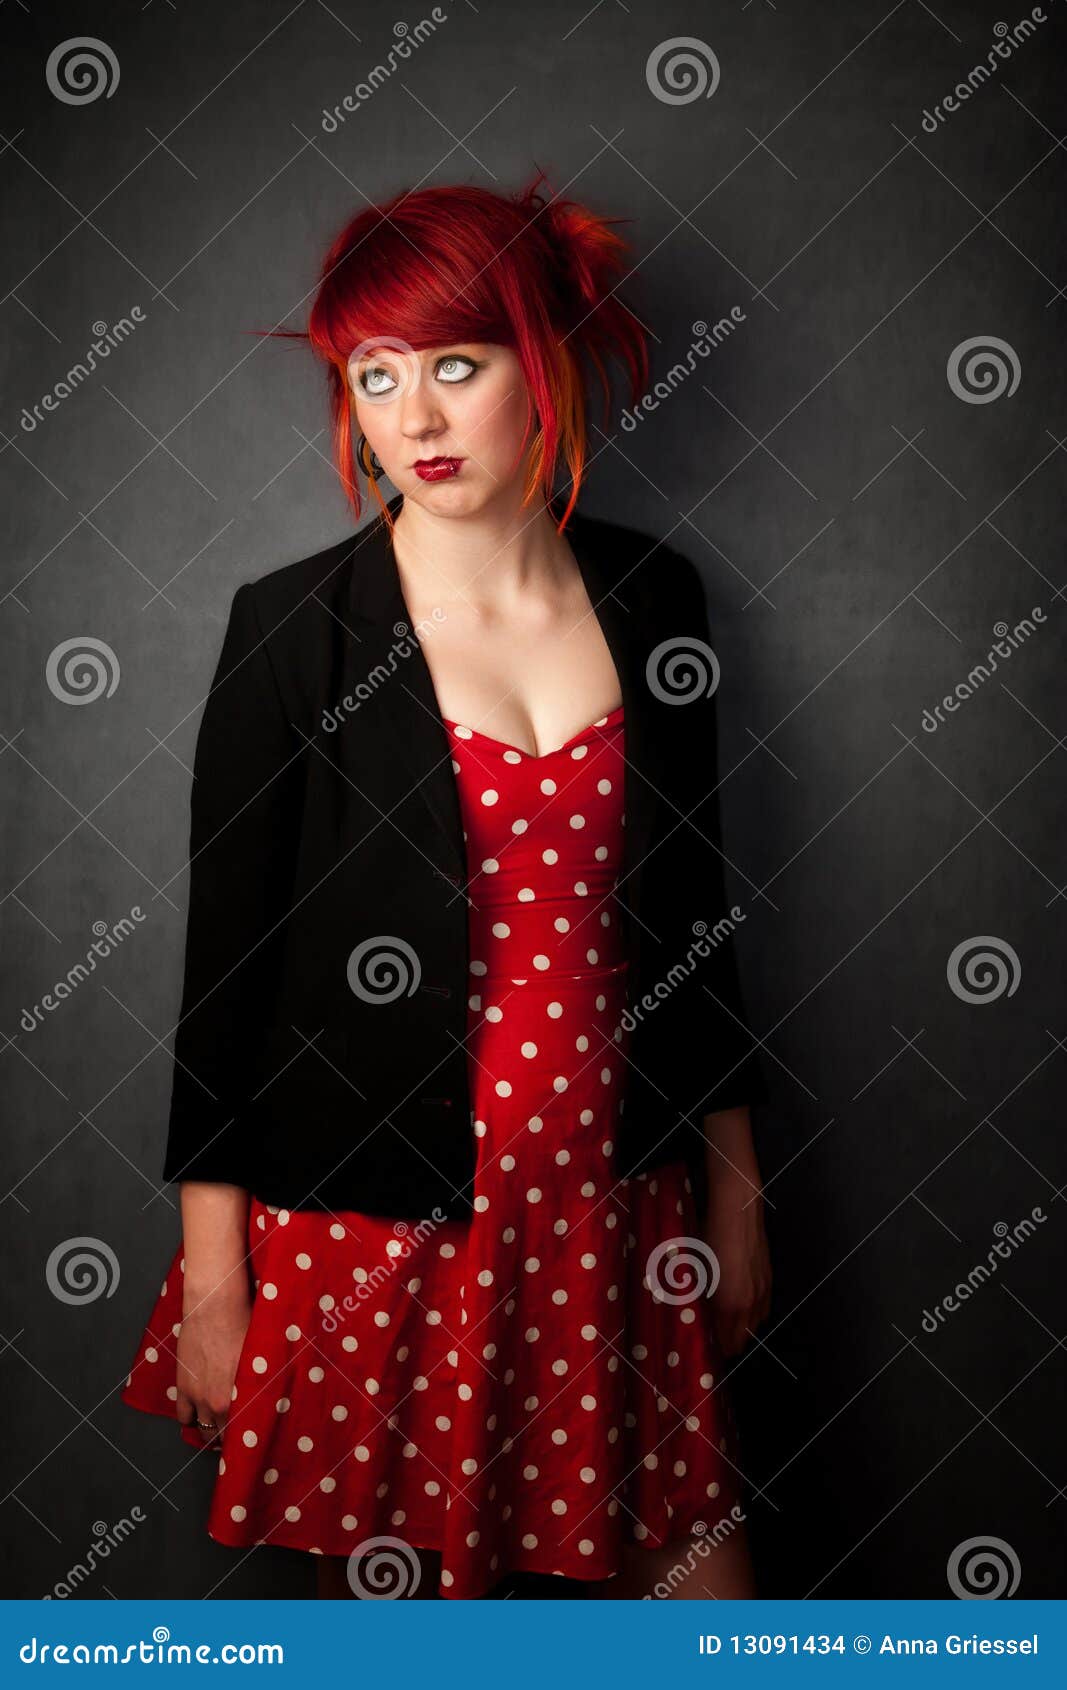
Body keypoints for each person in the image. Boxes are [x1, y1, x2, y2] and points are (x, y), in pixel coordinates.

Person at [121, 171, 772, 1601]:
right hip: (375, 1225)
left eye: (457, 367)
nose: (412, 418)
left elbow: (697, 918)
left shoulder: (656, 601)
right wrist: (215, 1280)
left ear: (543, 367)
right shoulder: (292, 631)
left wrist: (735, 1190)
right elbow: (225, 977)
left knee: (704, 1604)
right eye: (376, 375)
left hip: (613, 1213)